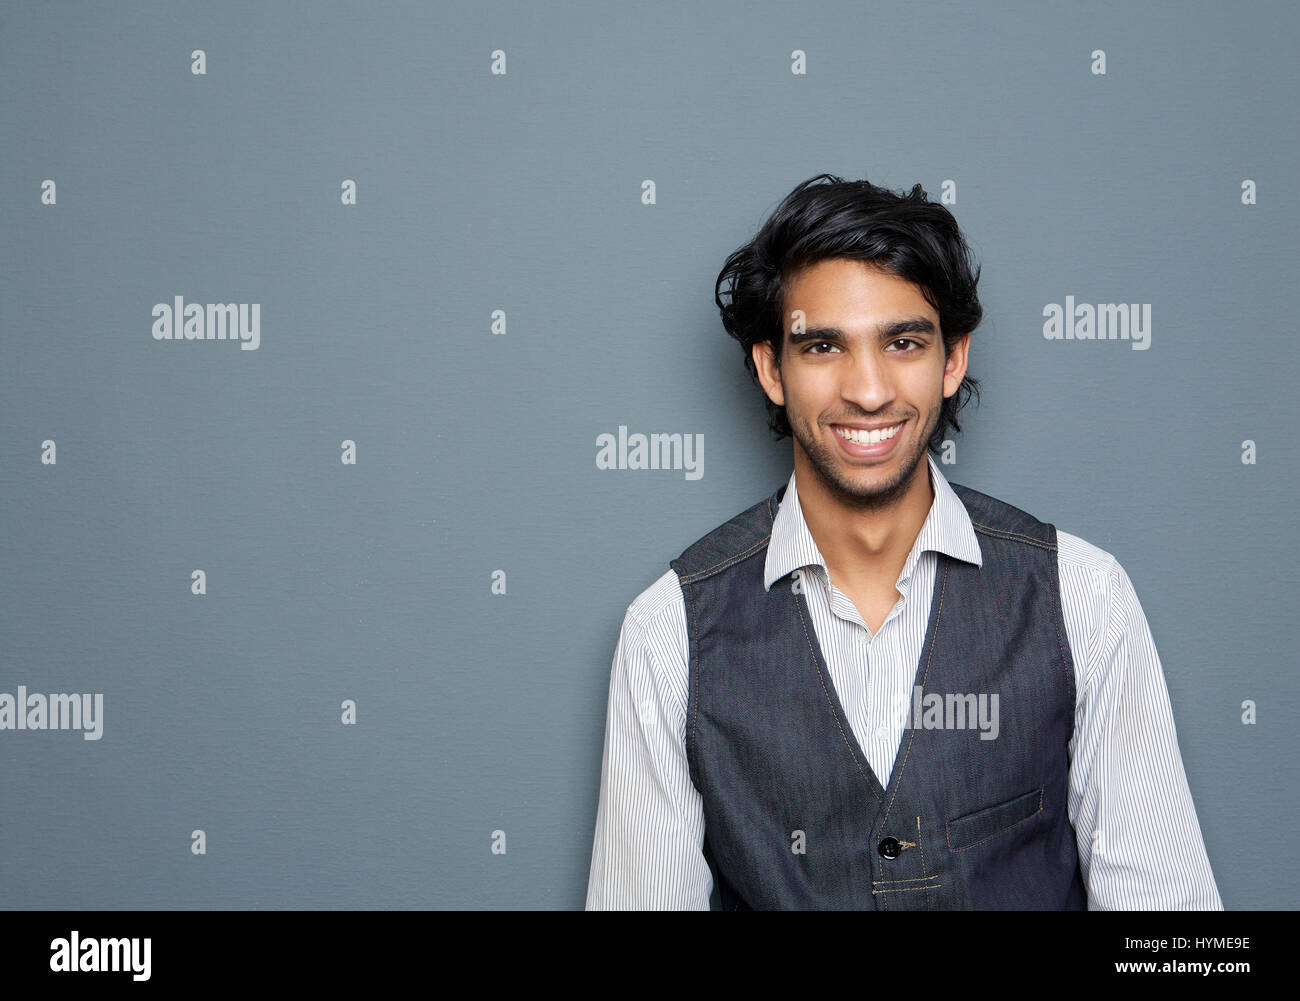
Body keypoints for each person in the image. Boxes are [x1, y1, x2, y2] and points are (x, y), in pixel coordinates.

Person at [585, 174, 1222, 910]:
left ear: (951, 361)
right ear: (771, 368)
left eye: (904, 341)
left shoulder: (1084, 597)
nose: (868, 389)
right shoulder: (668, 635)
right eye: (823, 345)